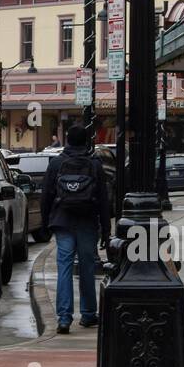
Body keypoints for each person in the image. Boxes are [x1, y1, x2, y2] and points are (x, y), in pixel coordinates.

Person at [41, 123, 111, 336]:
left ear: (68, 140)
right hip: (87, 221)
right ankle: (89, 313)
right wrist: (106, 229)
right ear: (86, 141)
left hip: (62, 221)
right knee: (87, 268)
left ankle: (64, 317)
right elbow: (103, 200)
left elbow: (46, 196)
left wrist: (46, 223)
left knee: (64, 266)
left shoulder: (56, 163)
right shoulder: (94, 164)